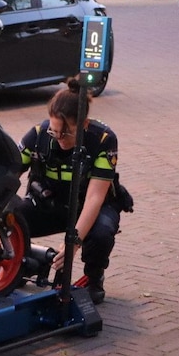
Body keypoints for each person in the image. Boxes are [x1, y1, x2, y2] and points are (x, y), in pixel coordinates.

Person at [18, 79, 131, 305]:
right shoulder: (38, 134)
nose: (59, 139)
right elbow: (7, 173)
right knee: (9, 214)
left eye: (66, 133)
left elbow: (95, 198)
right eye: (55, 132)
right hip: (51, 205)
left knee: (101, 233)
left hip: (90, 208)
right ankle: (25, 262)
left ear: (84, 124)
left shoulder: (103, 140)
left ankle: (94, 278)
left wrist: (73, 243)